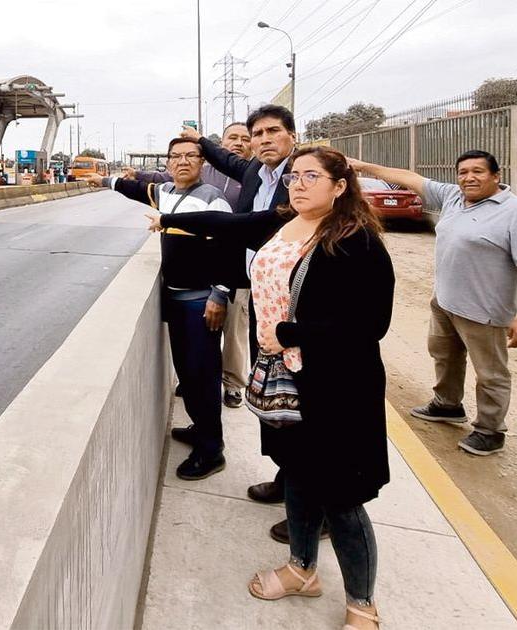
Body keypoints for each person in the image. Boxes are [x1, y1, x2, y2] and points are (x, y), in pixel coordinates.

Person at [148, 146, 393, 630]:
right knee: (298, 475)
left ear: (340, 187)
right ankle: (302, 570)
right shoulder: (284, 223)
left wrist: (288, 335)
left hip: (337, 386)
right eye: (294, 177)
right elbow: (230, 227)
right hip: (285, 378)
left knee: (341, 497)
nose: (298, 184)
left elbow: (371, 324)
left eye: (311, 177)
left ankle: (362, 603)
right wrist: (172, 221)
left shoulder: (355, 241)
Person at [348, 150, 517, 456]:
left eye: (478, 172)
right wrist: (363, 167)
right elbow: (410, 178)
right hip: (445, 302)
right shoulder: (454, 197)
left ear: (496, 176)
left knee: (491, 372)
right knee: (444, 354)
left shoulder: (516, 213)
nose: (469, 177)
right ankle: (448, 404)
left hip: (485, 310)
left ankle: (490, 429)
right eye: (463, 172)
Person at [182, 104, 313, 541]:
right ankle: (288, 477)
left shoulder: (303, 177)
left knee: (305, 401)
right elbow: (227, 159)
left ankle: (318, 507)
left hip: (297, 303)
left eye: (273, 131)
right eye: (256, 133)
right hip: (262, 297)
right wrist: (197, 140)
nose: (262, 139)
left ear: (293, 135)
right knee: (274, 396)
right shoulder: (257, 172)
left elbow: (248, 226)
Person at [83, 138, 234, 480]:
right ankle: (200, 428)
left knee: (203, 375)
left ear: (202, 162)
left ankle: (212, 450)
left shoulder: (214, 199)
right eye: (176, 156)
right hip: (176, 300)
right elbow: (133, 187)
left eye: (191, 156)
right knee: (188, 374)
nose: (183, 162)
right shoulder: (165, 191)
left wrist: (220, 294)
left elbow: (229, 248)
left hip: (201, 302)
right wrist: (102, 181)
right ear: (168, 162)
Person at [126, 122, 254, 408]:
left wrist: (220, 291)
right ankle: (199, 402)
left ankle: (231, 385)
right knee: (195, 358)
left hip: (233, 272)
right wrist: (124, 178)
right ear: (218, 145)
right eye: (232, 138)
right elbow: (162, 178)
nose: (238, 143)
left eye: (246, 138)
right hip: (194, 284)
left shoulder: (253, 174)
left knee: (232, 335)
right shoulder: (205, 170)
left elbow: (228, 240)